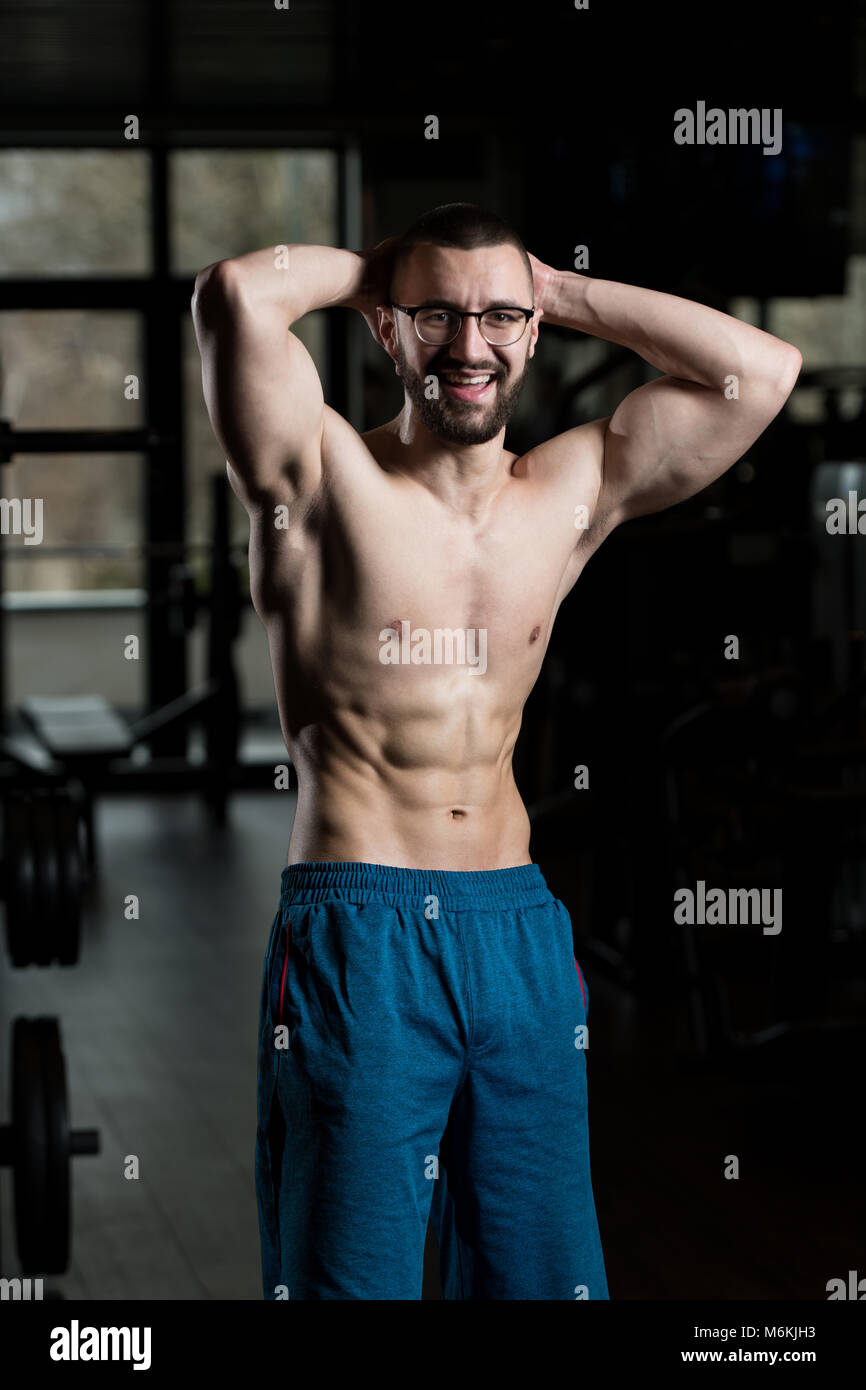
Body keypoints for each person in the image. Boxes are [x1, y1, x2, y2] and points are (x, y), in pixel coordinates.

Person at [191, 203, 801, 1300]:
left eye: (497, 321)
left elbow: (756, 371)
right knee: (353, 1278)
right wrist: (391, 274)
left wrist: (548, 290)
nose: (467, 347)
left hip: (515, 929)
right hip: (360, 928)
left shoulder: (565, 494)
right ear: (386, 329)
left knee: (542, 1279)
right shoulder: (322, 481)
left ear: (527, 335)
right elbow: (237, 294)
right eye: (435, 319)